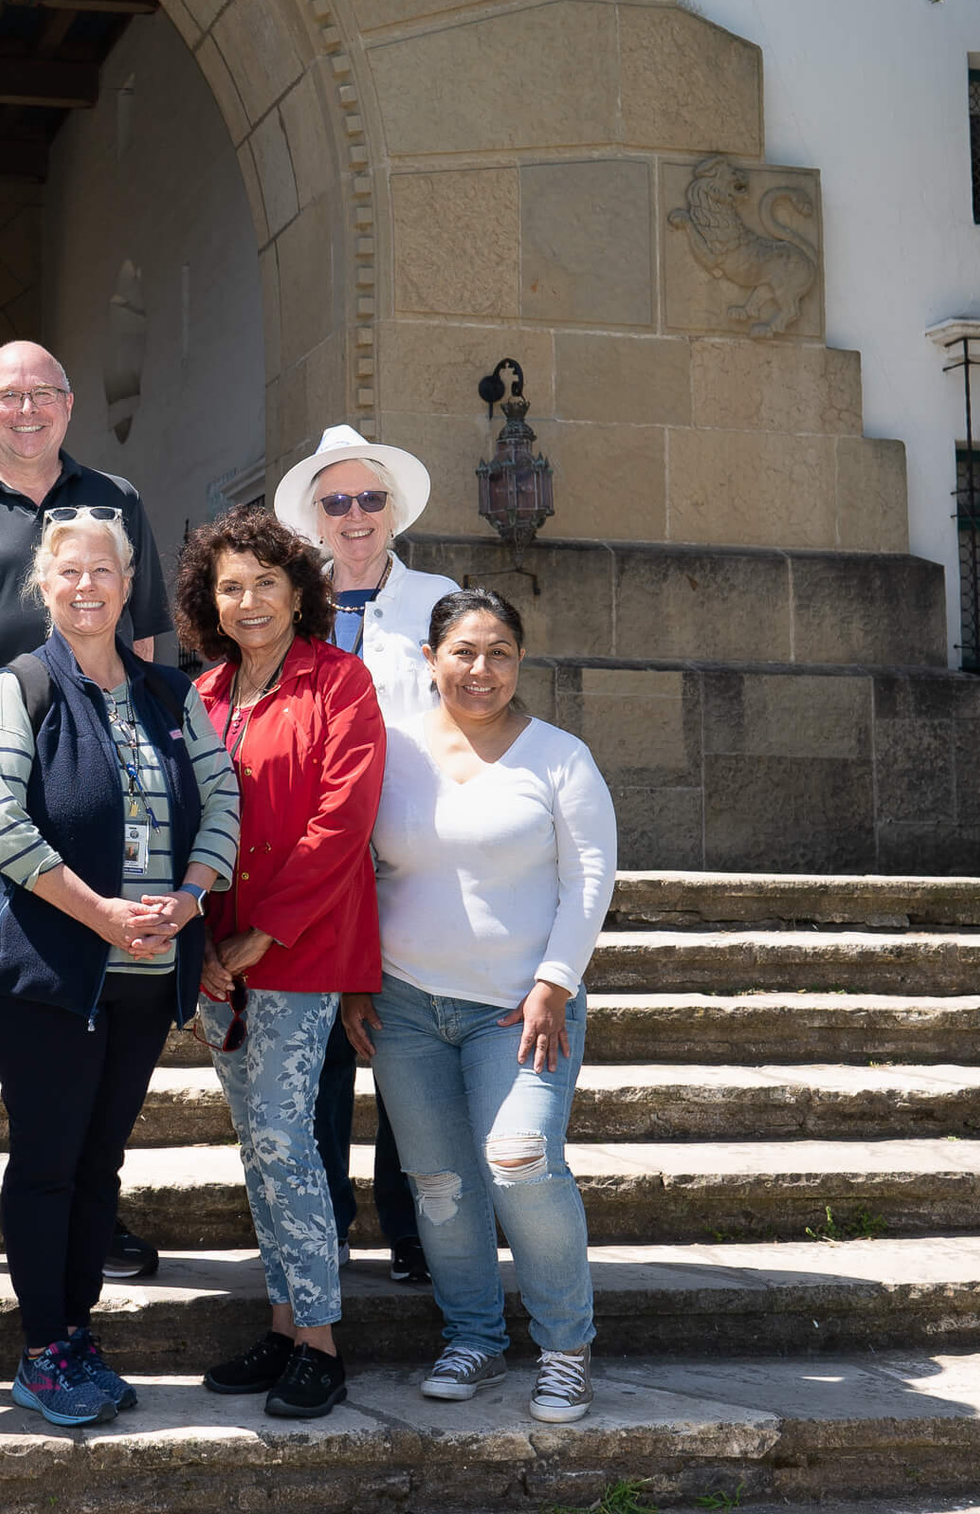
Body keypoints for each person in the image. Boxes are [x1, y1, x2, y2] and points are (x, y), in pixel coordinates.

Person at [0, 341, 173, 1290]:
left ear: (67, 405)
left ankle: (88, 1200)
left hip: (88, 795)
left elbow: (138, 649)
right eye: (8, 396)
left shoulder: (115, 502)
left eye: (45, 394)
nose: (27, 410)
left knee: (81, 1000)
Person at [0, 510, 241, 1427]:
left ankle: (75, 1332)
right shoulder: (22, 686)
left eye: (104, 571)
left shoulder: (171, 693)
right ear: (44, 586)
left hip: (146, 978)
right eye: (68, 572)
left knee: (99, 1165)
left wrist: (193, 895)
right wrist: (104, 916)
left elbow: (222, 796)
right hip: (47, 974)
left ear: (128, 586)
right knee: (48, 1161)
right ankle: (43, 1351)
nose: (87, 586)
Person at [342, 590, 617, 1427]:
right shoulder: (389, 753)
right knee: (438, 1184)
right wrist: (357, 975)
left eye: (499, 651)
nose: (481, 669)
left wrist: (555, 981)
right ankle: (473, 1336)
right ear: (431, 660)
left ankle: (566, 1348)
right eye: (463, 651)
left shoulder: (559, 757)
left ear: (521, 661)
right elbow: (356, 866)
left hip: (521, 1007)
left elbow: (591, 877)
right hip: (406, 1005)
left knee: (521, 1159)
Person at [178, 507, 385, 1422]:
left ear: (301, 591)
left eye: (267, 582)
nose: (250, 600)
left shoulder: (342, 684)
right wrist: (202, 948)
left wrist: (263, 933)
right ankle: (284, 1321)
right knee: (259, 1149)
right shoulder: (201, 696)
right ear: (210, 603)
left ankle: (323, 1345)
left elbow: (341, 823)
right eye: (232, 586)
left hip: (303, 949)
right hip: (220, 959)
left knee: (281, 1134)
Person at [274, 424, 457, 1285]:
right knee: (318, 1054)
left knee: (406, 1050)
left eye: (370, 499)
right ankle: (327, 1223)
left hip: (409, 860)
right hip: (314, 866)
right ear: (315, 515)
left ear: (393, 511)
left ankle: (413, 1227)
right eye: (337, 501)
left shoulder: (438, 599)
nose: (354, 515)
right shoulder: (286, 603)